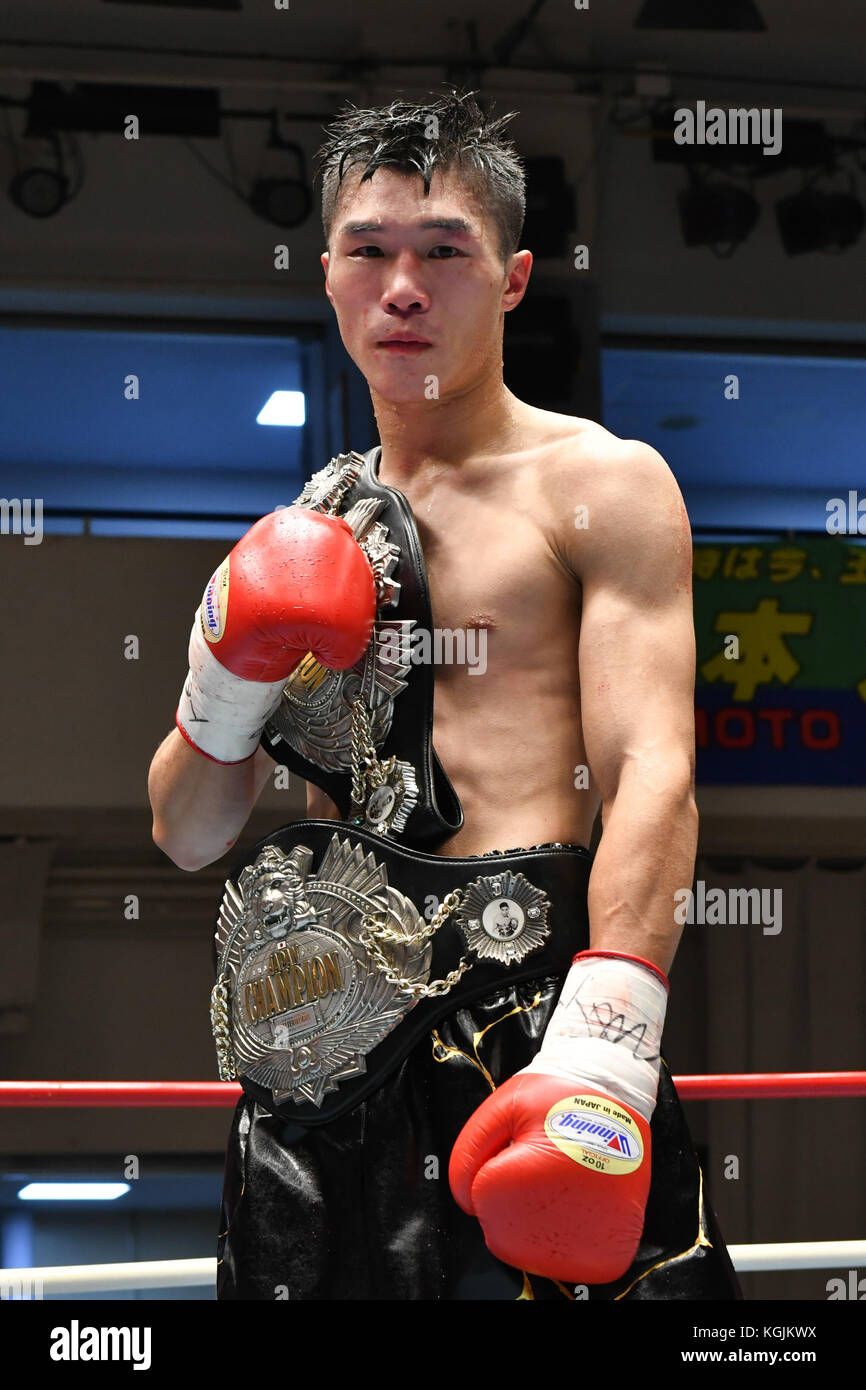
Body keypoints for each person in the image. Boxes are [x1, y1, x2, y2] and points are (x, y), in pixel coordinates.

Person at [148, 89, 741, 1300]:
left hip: (527, 1023)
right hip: (316, 1053)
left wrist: (606, 1048)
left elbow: (650, 775)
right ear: (326, 275)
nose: (401, 287)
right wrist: (228, 668)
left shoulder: (601, 485)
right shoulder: (297, 534)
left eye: (441, 252)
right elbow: (187, 829)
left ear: (514, 278)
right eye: (368, 252)